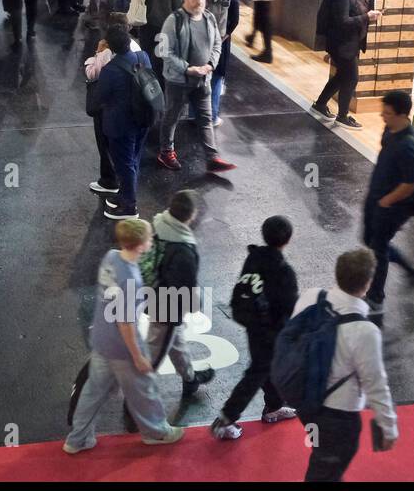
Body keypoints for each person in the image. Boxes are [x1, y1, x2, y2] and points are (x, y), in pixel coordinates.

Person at [63, 218, 185, 452]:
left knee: (93, 392)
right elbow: (126, 323)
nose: (151, 241)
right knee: (143, 389)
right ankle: (156, 432)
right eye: (148, 238)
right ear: (140, 245)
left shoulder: (111, 257)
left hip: (100, 339)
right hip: (121, 348)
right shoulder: (132, 280)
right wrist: (138, 356)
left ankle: (78, 439)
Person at [292, 248, 398, 481]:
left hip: (305, 401)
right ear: (368, 283)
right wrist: (388, 425)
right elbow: (375, 382)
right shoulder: (365, 330)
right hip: (338, 415)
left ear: (337, 273)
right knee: (326, 468)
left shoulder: (311, 297)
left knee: (323, 456)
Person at [211, 216, 300, 440]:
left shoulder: (254, 256)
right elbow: (290, 308)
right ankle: (226, 418)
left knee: (268, 367)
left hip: (252, 323)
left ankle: (273, 407)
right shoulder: (284, 271)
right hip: (272, 331)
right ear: (287, 240)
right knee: (258, 371)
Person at [363, 90, 414, 322]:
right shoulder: (390, 130)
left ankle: (375, 297)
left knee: (379, 248)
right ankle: (412, 271)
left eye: (388, 113)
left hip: (391, 206)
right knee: (370, 241)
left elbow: (411, 183)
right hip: (376, 197)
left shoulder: (410, 146)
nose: (383, 116)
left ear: (403, 115)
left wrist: (386, 201)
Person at [144, 190, 217, 405]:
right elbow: (185, 289)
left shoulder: (159, 224)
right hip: (166, 307)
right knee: (154, 353)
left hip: (153, 294)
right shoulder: (183, 250)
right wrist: (196, 305)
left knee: (176, 341)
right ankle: (136, 394)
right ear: (192, 215)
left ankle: (190, 378)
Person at [157, 0, 237, 173]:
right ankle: (166, 152)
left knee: (206, 118)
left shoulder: (209, 18)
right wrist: (187, 69)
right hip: (178, 81)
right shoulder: (173, 20)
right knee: (172, 116)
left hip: (203, 80)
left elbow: (218, 43)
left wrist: (210, 65)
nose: (199, 1)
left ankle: (211, 157)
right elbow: (165, 51)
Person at [87, 20, 149, 220]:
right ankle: (124, 194)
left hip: (121, 125)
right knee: (134, 160)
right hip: (143, 119)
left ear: (111, 47)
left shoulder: (111, 70)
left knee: (124, 164)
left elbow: (96, 101)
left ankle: (129, 207)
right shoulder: (143, 56)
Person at [312, 0, 379, 129]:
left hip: (352, 43)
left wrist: (370, 16)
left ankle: (320, 104)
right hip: (341, 45)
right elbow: (342, 21)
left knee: (342, 76)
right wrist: (366, 17)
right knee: (351, 78)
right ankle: (342, 116)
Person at [203, 0, 240, 125]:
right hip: (221, 40)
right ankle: (212, 116)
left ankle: (196, 113)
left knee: (199, 75)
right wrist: (225, 36)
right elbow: (235, 19)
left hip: (201, 37)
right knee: (217, 78)